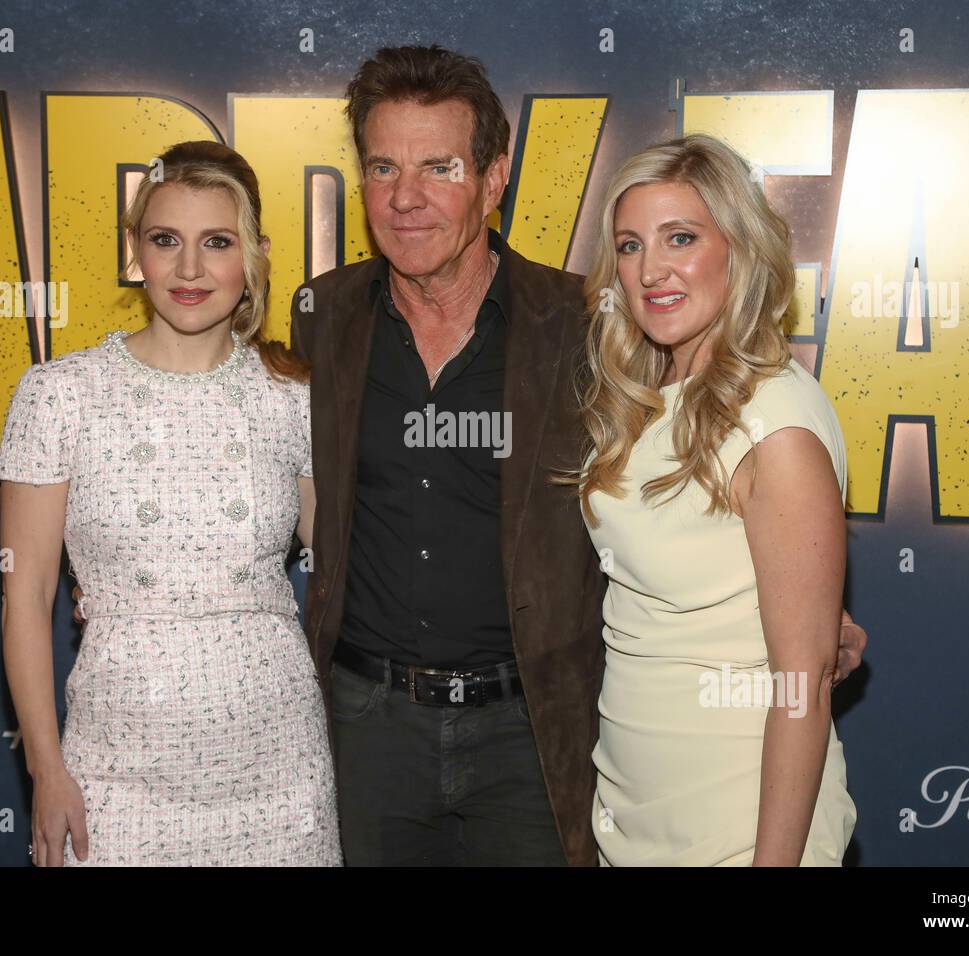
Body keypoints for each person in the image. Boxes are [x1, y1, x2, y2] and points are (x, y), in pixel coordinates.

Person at [288, 46, 867, 866]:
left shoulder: (584, 326)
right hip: (370, 727)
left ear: (493, 181)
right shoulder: (325, 315)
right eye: (383, 167)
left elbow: (760, 510)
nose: (406, 197)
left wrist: (807, 628)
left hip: (533, 733)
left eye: (439, 167)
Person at [0, 140, 340, 866]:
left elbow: (345, 567)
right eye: (165, 240)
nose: (189, 269)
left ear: (253, 255)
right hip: (117, 764)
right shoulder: (60, 395)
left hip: (278, 764)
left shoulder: (295, 398)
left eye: (216, 242)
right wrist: (47, 769)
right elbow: (26, 596)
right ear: (136, 252)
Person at [565, 133, 857, 865]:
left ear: (741, 250)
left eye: (681, 238)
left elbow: (802, 684)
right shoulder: (648, 400)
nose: (650, 270)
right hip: (634, 809)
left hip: (740, 821)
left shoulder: (776, 425)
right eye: (629, 246)